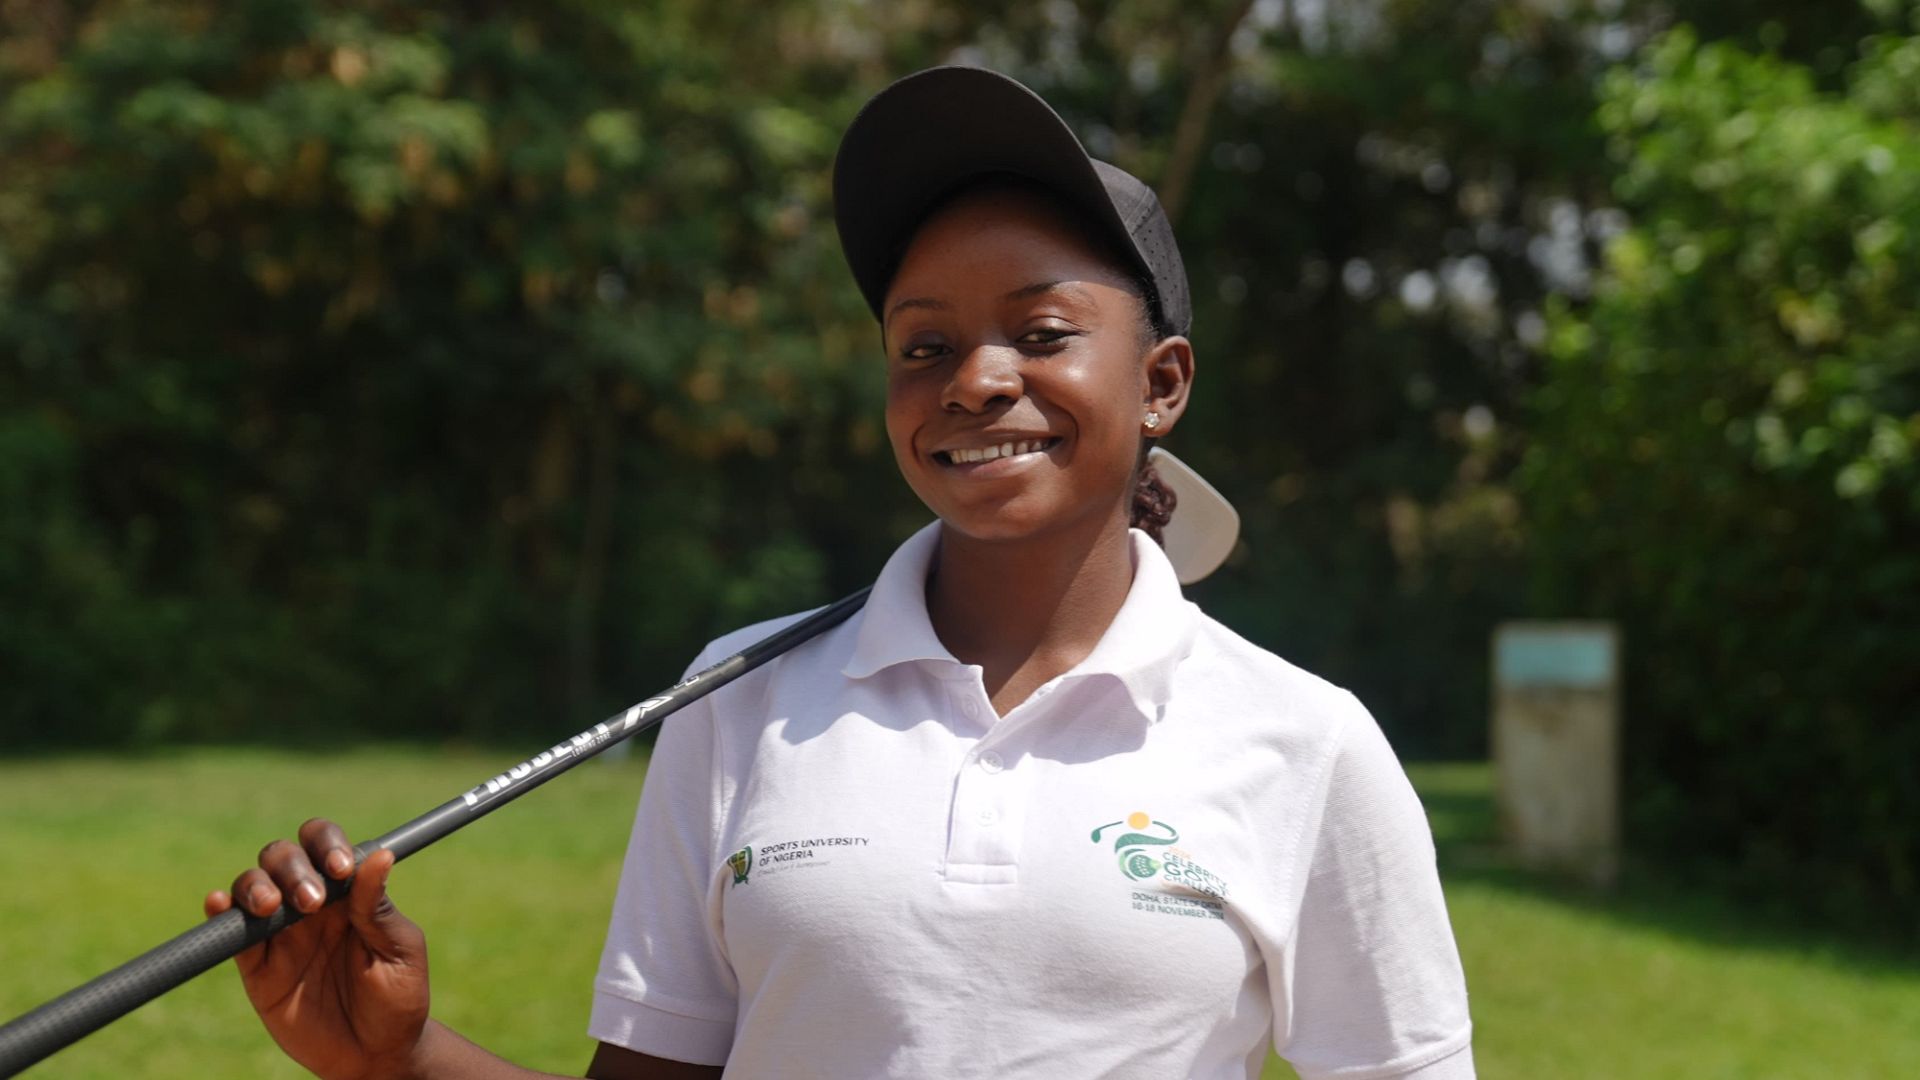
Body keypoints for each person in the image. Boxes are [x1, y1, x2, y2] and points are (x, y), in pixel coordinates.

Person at [207, 67, 1473, 1080]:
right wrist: (399, 1060)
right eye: (924, 344)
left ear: (1162, 383)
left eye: (1041, 332)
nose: (975, 379)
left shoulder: (1305, 744)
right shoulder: (736, 697)